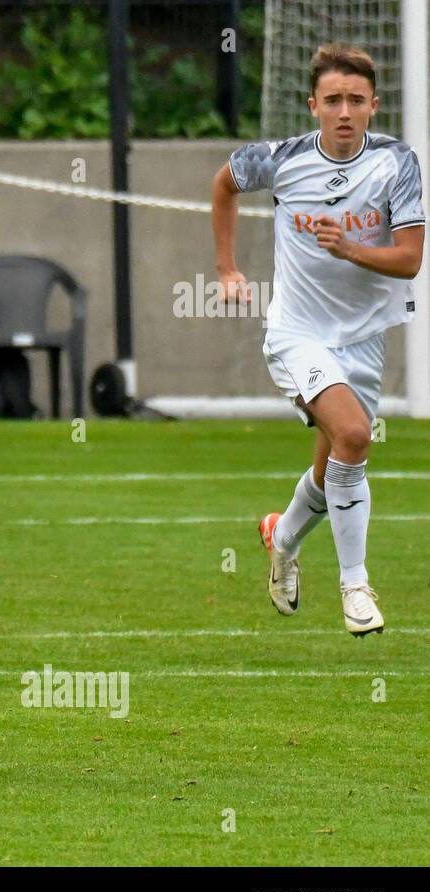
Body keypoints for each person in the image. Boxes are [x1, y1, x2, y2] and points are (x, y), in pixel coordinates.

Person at [213, 43, 424, 637]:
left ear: (374, 106)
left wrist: (349, 247)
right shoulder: (282, 160)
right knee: (355, 436)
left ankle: (281, 538)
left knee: (336, 462)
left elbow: (409, 261)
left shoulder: (397, 164)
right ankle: (355, 587)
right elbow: (225, 184)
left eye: (356, 100)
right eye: (333, 100)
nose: (344, 111)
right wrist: (228, 269)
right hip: (297, 334)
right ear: (313, 106)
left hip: (363, 340)